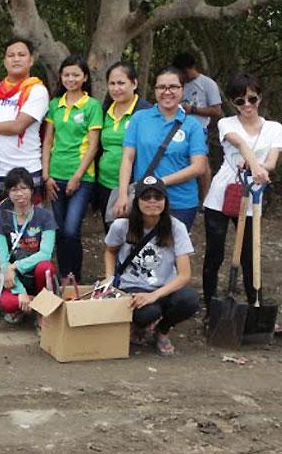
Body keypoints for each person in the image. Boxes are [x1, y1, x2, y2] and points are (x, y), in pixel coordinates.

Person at [201, 74, 282, 311]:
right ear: (232, 103)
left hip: (252, 195)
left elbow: (272, 163)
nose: (247, 105)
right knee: (215, 253)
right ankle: (210, 306)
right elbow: (239, 143)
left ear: (259, 97)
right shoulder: (227, 123)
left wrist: (258, 169)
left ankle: (253, 305)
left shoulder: (275, 128)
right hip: (222, 193)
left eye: (252, 98)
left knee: (250, 253)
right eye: (240, 101)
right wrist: (254, 165)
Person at [104, 175, 198, 356]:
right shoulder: (122, 226)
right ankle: (138, 326)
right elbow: (110, 251)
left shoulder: (176, 227)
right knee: (147, 312)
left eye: (158, 197)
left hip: (163, 287)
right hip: (132, 286)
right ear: (137, 201)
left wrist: (154, 295)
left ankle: (162, 330)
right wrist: (109, 278)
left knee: (190, 299)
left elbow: (185, 275)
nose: (152, 202)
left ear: (165, 201)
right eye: (146, 197)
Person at [114, 67, 207, 230]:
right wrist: (123, 195)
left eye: (173, 87)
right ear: (155, 90)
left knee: (175, 252)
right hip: (145, 199)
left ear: (182, 89)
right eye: (162, 87)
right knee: (143, 252)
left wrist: (159, 183)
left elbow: (199, 167)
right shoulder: (139, 118)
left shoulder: (192, 125)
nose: (167, 92)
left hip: (181, 202)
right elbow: (127, 159)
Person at [41, 55, 103, 281]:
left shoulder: (92, 106)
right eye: (66, 74)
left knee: (71, 229)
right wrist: (46, 175)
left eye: (76, 74)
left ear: (85, 77)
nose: (71, 78)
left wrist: (77, 176)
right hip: (55, 176)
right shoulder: (54, 105)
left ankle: (74, 276)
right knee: (59, 230)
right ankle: (62, 276)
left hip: (82, 177)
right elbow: (48, 141)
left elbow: (93, 145)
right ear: (61, 76)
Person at [0, 37, 50, 199]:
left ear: (31, 60)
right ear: (4, 61)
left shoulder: (37, 91)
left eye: (21, 54)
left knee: (31, 222)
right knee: (0, 221)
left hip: (28, 170)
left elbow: (17, 127)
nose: (16, 59)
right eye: (11, 55)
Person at [0, 167, 58, 324]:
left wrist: (16, 266)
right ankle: (40, 304)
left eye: (23, 188)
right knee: (7, 304)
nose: (19, 193)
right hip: (15, 277)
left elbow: (45, 253)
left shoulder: (45, 217)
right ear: (8, 192)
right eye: (14, 189)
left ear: (32, 190)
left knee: (45, 267)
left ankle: (40, 309)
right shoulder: (1, 218)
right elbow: (3, 260)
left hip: (36, 273)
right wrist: (20, 291)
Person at [95, 62, 152, 232]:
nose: (116, 88)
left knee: (135, 234)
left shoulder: (145, 112)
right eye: (112, 84)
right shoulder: (104, 110)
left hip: (134, 185)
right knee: (112, 233)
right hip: (105, 183)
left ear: (134, 84)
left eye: (121, 83)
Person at [173, 52, 223, 202]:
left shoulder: (207, 84)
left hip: (199, 129)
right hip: (177, 128)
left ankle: (206, 199)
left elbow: (217, 110)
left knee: (202, 164)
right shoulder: (179, 85)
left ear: (186, 69)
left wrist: (193, 110)